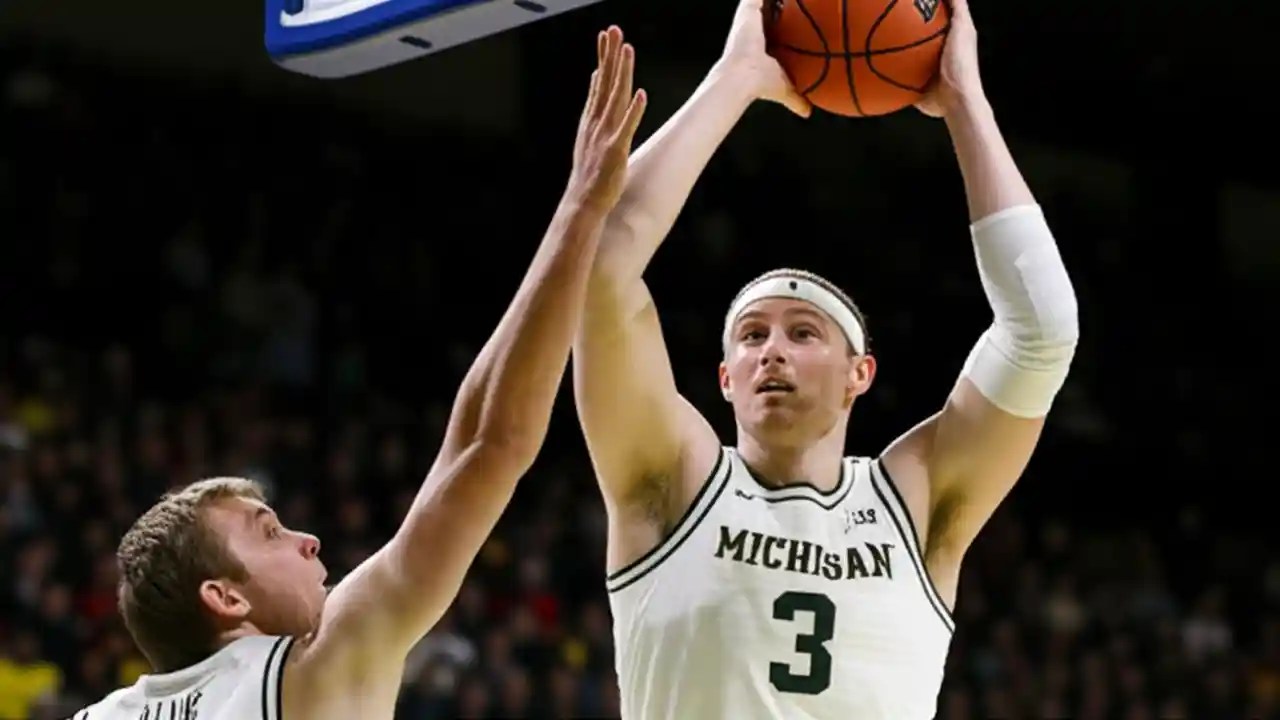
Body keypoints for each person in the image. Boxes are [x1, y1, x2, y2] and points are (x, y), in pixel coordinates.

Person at [70, 27, 647, 720]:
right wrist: (581, 208)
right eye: (269, 532)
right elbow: (486, 444)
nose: (308, 539)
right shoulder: (308, 671)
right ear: (225, 598)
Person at [571, 0, 1079, 718]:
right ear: (724, 378)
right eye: (751, 336)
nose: (771, 348)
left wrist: (966, 102)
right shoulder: (671, 478)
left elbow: (1043, 328)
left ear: (858, 375)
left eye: (803, 332)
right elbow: (596, 266)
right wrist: (735, 76)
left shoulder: (914, 500)